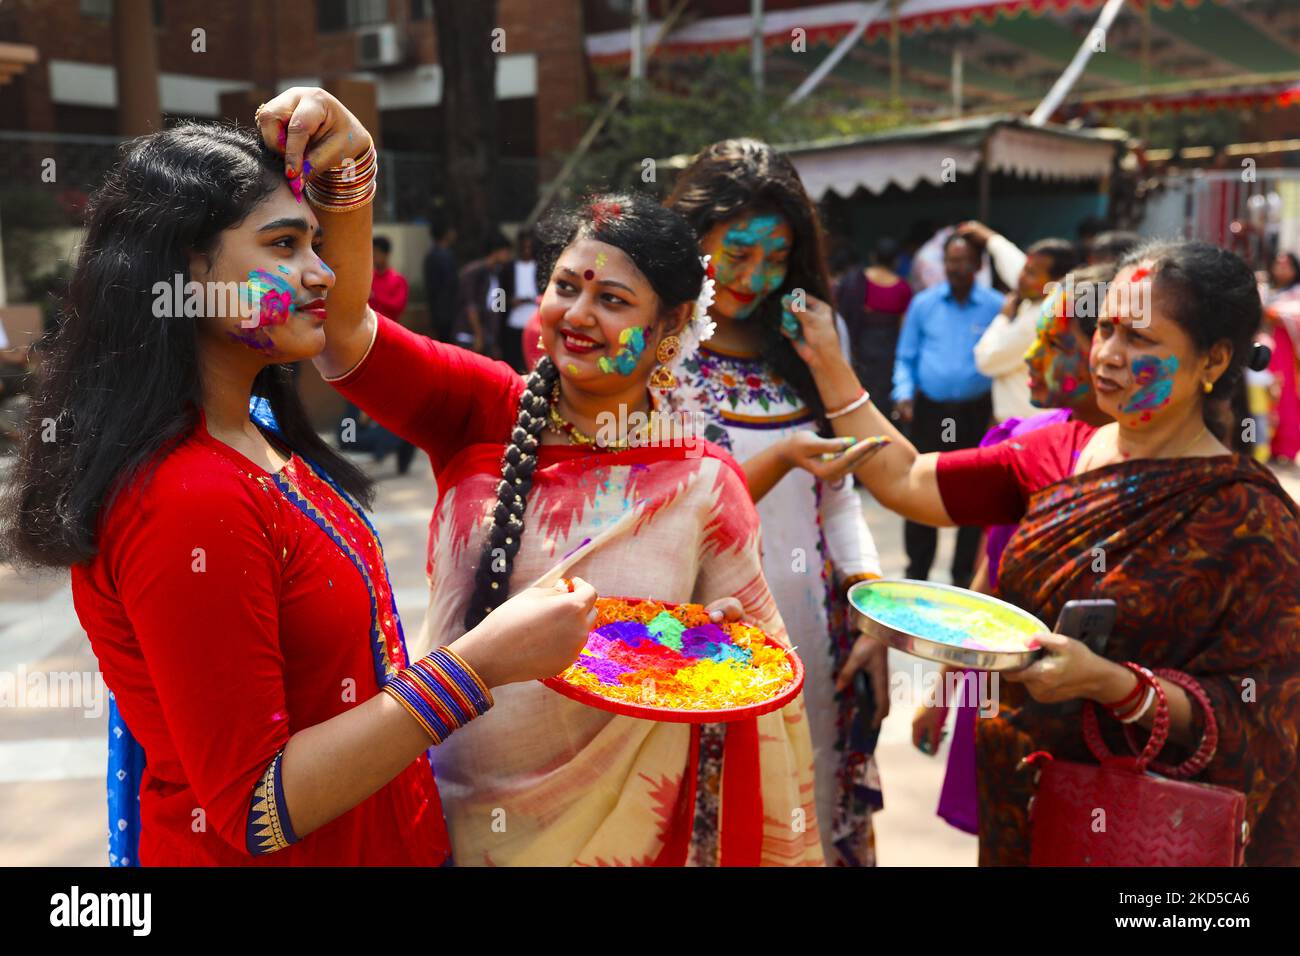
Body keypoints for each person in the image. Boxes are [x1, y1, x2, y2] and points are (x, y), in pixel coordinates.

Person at [0, 88, 596, 866]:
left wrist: (348, 170)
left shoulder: (257, 434)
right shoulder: (188, 498)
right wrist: (476, 666)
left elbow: (343, 322)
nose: (319, 273)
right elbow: (254, 809)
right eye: (284, 246)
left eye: (316, 245)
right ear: (185, 269)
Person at [316, 190, 825, 867]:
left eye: (613, 300)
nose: (578, 316)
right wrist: (348, 185)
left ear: (671, 324)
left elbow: (760, 681)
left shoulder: (706, 483)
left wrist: (712, 647)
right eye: (564, 287)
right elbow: (343, 337)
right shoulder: (478, 408)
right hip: (444, 818)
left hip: (621, 834)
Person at [829, 239, 1300, 866]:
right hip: (1021, 801)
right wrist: (827, 362)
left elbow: (1264, 717)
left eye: (1139, 339)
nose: (1105, 354)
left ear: (1212, 359)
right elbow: (907, 480)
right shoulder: (1057, 450)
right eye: (1104, 327)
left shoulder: (1250, 518)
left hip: (1142, 838)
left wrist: (1115, 687)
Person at [663, 138, 889, 866]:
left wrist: (872, 600)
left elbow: (841, 493)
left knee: (807, 814)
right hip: (694, 633)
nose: (755, 276)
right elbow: (667, 514)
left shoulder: (810, 339)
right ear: (691, 237)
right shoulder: (650, 348)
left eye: (776, 257)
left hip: (813, 632)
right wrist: (781, 458)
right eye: (736, 253)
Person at [916, 264, 1118, 835]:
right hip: (1000, 691)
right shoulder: (1026, 446)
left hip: (1090, 730)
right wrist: (945, 688)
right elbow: (989, 580)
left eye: (1054, 345)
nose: (1031, 359)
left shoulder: (1150, 475)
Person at [891, 232, 1001, 588]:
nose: (957, 268)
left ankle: (963, 576)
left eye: (965, 261)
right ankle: (917, 574)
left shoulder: (996, 306)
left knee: (973, 493)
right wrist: (903, 394)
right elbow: (905, 356)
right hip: (930, 412)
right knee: (923, 486)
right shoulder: (924, 305)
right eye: (952, 261)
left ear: (979, 265)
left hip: (976, 413)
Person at [959, 221, 1078, 423]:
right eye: (1025, 269)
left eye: (1030, 273)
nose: (1021, 277)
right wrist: (990, 238)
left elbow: (986, 360)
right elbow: (1014, 264)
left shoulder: (1042, 319)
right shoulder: (1044, 294)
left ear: (1055, 281)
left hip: (1026, 428)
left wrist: (1003, 318)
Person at [835, 235, 913, 421]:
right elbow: (904, 328)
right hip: (888, 353)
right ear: (896, 261)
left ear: (873, 256)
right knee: (882, 403)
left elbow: (841, 315)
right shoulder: (903, 288)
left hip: (858, 349)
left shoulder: (854, 282)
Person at [1264, 251, 1300, 465]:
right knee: (1267, 397)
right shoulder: (1269, 291)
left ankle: (1286, 449)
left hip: (1288, 351)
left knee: (1285, 396)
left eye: (1286, 265)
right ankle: (1265, 445)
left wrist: (1277, 314)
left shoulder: (1296, 292)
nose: (1281, 268)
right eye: (1278, 264)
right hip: (1270, 350)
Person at [453, 231, 513, 357]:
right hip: (469, 336)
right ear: (496, 251)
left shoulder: (498, 273)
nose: (509, 256)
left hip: (488, 338)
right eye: (506, 251)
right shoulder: (473, 272)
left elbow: (498, 308)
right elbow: (470, 305)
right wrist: (478, 334)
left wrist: (495, 340)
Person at [501, 230, 539, 372]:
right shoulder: (508, 268)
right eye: (523, 247)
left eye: (529, 247)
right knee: (513, 360)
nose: (526, 251)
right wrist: (507, 303)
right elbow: (498, 294)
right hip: (513, 321)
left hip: (534, 320)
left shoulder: (540, 267)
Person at [421, 216, 458, 342]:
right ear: (446, 233)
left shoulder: (430, 255)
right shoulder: (445, 256)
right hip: (447, 312)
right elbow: (451, 285)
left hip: (437, 311)